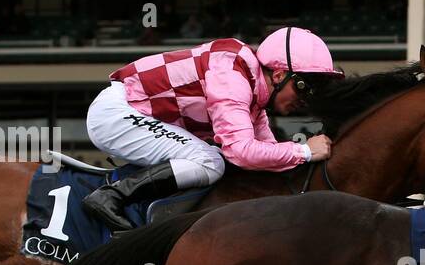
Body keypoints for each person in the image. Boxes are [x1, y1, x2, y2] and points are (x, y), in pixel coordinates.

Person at [82, 27, 344, 230]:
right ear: (278, 75)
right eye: (303, 86)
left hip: (136, 113)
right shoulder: (232, 74)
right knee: (210, 162)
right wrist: (305, 151)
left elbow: (267, 155)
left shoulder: (253, 97)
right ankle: (110, 197)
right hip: (118, 114)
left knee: (212, 160)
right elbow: (241, 152)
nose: (305, 98)